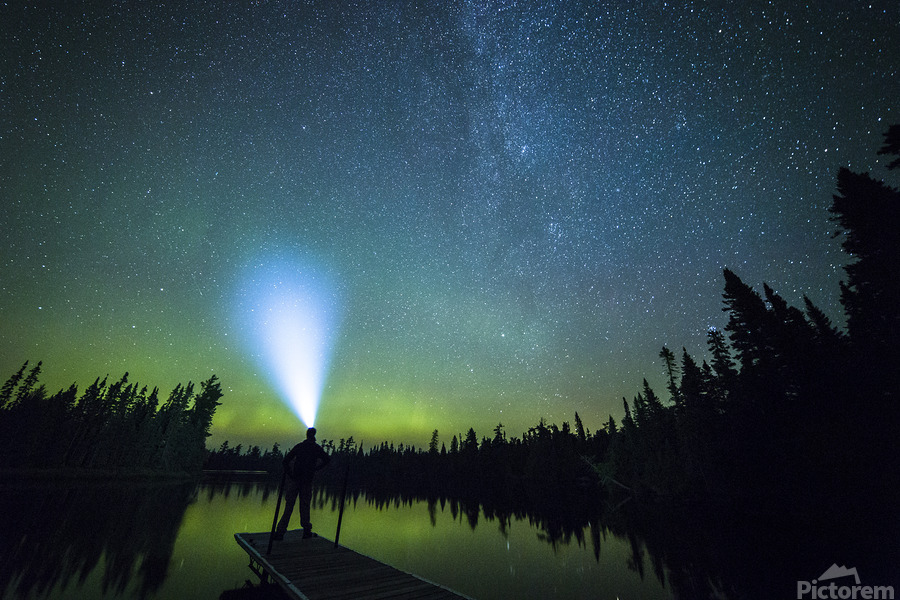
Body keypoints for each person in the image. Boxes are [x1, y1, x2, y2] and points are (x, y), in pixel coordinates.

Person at [273, 427, 331, 540]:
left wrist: (291, 474)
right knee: (304, 506)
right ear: (314, 435)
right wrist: (316, 468)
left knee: (289, 507)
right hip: (306, 482)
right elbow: (327, 460)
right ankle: (306, 531)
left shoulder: (300, 447)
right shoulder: (315, 448)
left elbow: (285, 461)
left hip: (296, 481)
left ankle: (280, 532)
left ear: (307, 435)